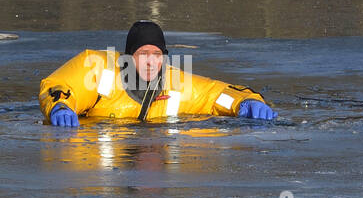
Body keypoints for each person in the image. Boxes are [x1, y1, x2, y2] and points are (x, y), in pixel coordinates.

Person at [39, 20, 278, 126]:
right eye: (143, 54)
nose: (151, 62)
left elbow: (216, 95)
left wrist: (246, 102)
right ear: (128, 56)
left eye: (157, 54)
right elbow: (60, 86)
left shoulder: (174, 84)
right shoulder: (98, 69)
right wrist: (59, 106)